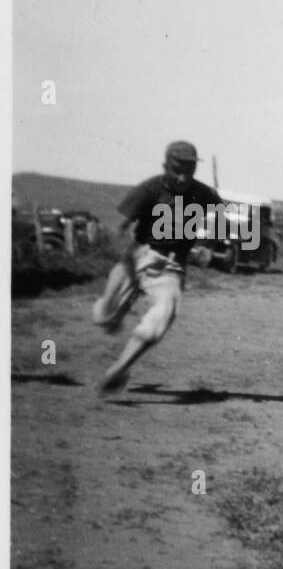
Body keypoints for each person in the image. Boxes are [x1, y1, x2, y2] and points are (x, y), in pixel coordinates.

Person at [92, 140, 223, 394]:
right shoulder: (150, 188)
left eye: (189, 170)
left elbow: (220, 216)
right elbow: (117, 224)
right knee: (102, 318)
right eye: (177, 170)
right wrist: (123, 248)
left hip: (169, 268)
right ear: (165, 166)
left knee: (165, 311)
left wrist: (208, 244)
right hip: (137, 257)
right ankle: (111, 315)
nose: (183, 177)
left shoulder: (202, 193)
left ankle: (119, 368)